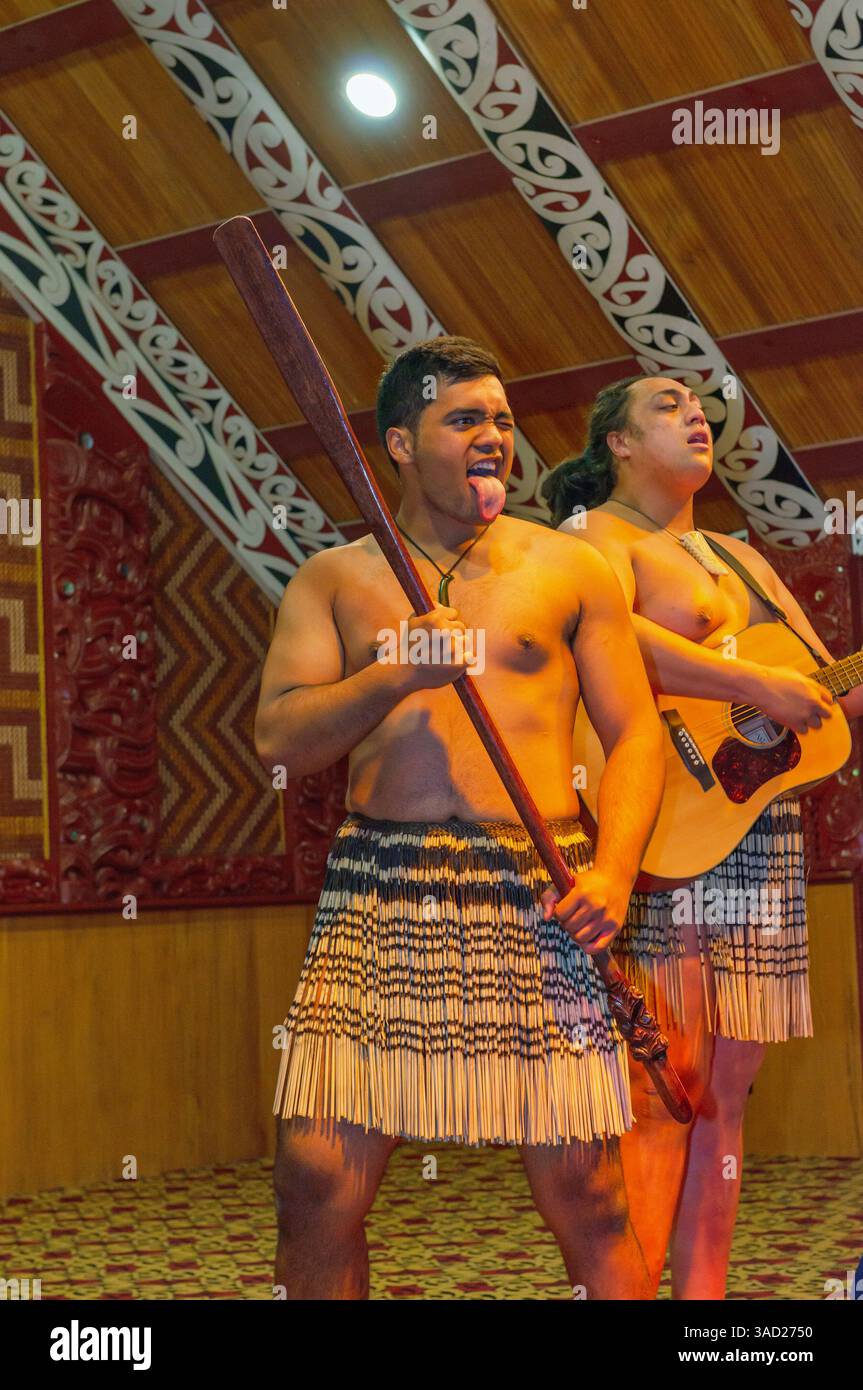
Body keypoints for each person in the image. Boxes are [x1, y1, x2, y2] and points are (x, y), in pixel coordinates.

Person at [255, 337, 665, 1300]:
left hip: (538, 887)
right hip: (378, 893)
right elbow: (278, 739)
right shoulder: (334, 579)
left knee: (586, 1186)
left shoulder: (567, 570)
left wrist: (610, 874)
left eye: (503, 421)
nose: (493, 437)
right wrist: (397, 669)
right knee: (315, 1180)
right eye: (464, 419)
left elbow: (636, 735)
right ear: (398, 442)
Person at [543, 373, 863, 1299]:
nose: (697, 415)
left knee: (725, 1097)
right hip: (658, 832)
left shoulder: (738, 554)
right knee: (662, 1086)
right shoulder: (588, 538)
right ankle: (629, 1289)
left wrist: (796, 692)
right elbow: (607, 639)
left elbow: (823, 684)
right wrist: (752, 690)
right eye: (668, 404)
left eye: (700, 406)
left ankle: (705, 1312)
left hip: (758, 834)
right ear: (616, 442)